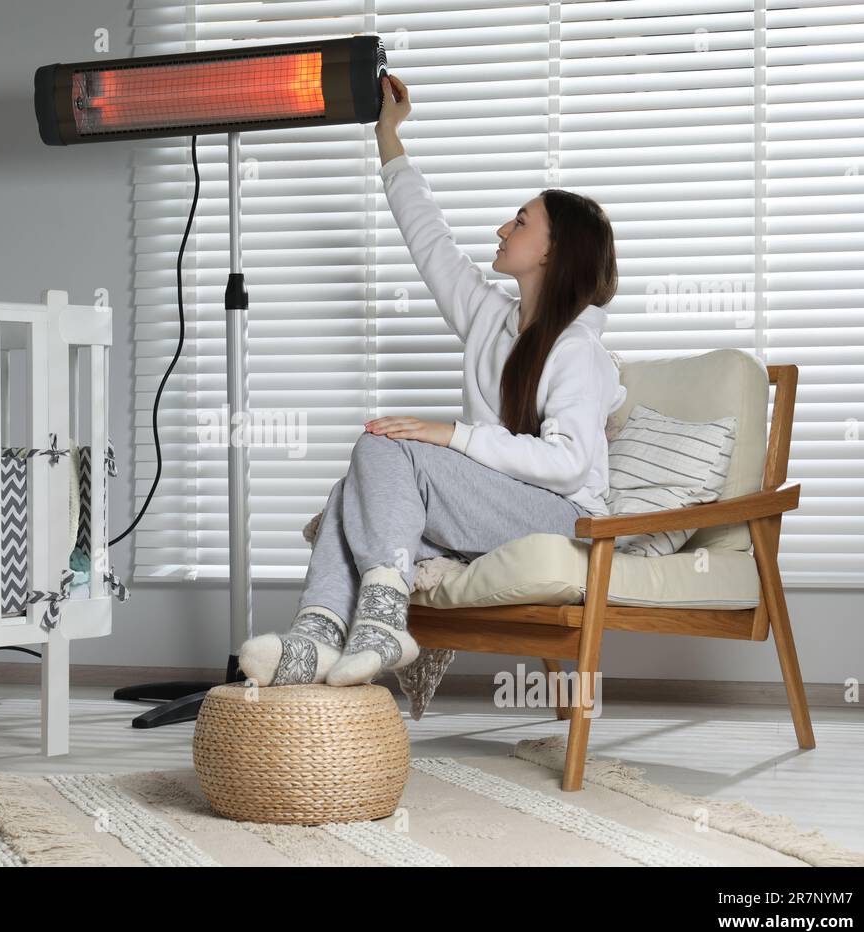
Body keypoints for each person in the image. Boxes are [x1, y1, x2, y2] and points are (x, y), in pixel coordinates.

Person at [238, 73, 626, 689]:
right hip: (495, 507)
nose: (503, 230)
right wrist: (389, 136)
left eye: (520, 222)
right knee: (356, 484)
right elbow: (428, 237)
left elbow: (570, 464)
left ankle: (378, 617)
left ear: (554, 253)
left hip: (567, 521)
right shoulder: (491, 318)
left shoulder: (578, 349)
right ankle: (318, 634)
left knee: (381, 447)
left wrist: (453, 436)